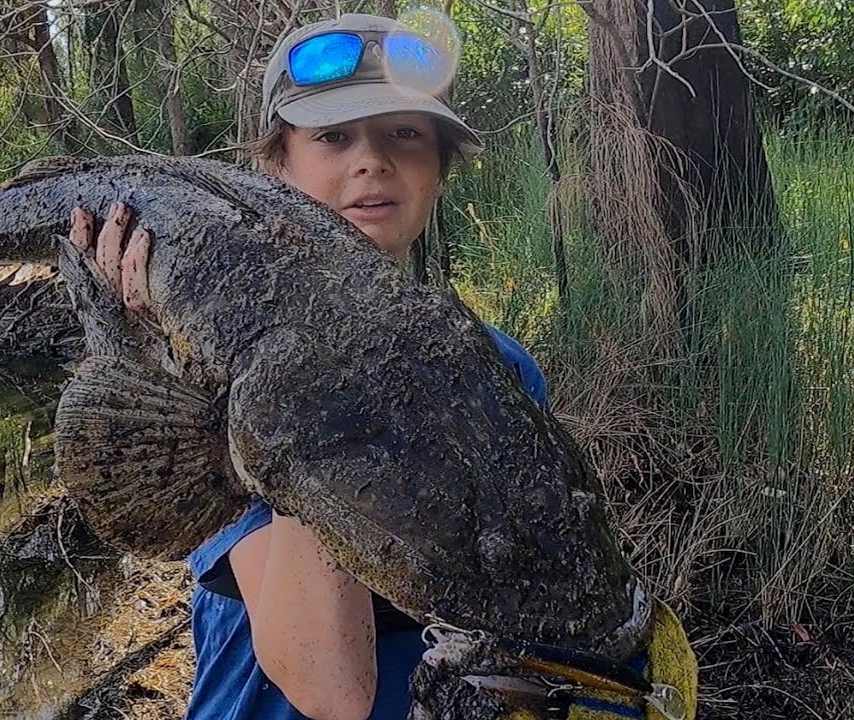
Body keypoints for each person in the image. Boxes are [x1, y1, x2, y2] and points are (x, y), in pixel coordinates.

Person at [68, 13, 548, 720]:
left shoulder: (501, 372)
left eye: (405, 134)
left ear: (440, 169)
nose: (372, 161)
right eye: (332, 136)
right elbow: (327, 685)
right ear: (273, 172)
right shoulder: (202, 372)